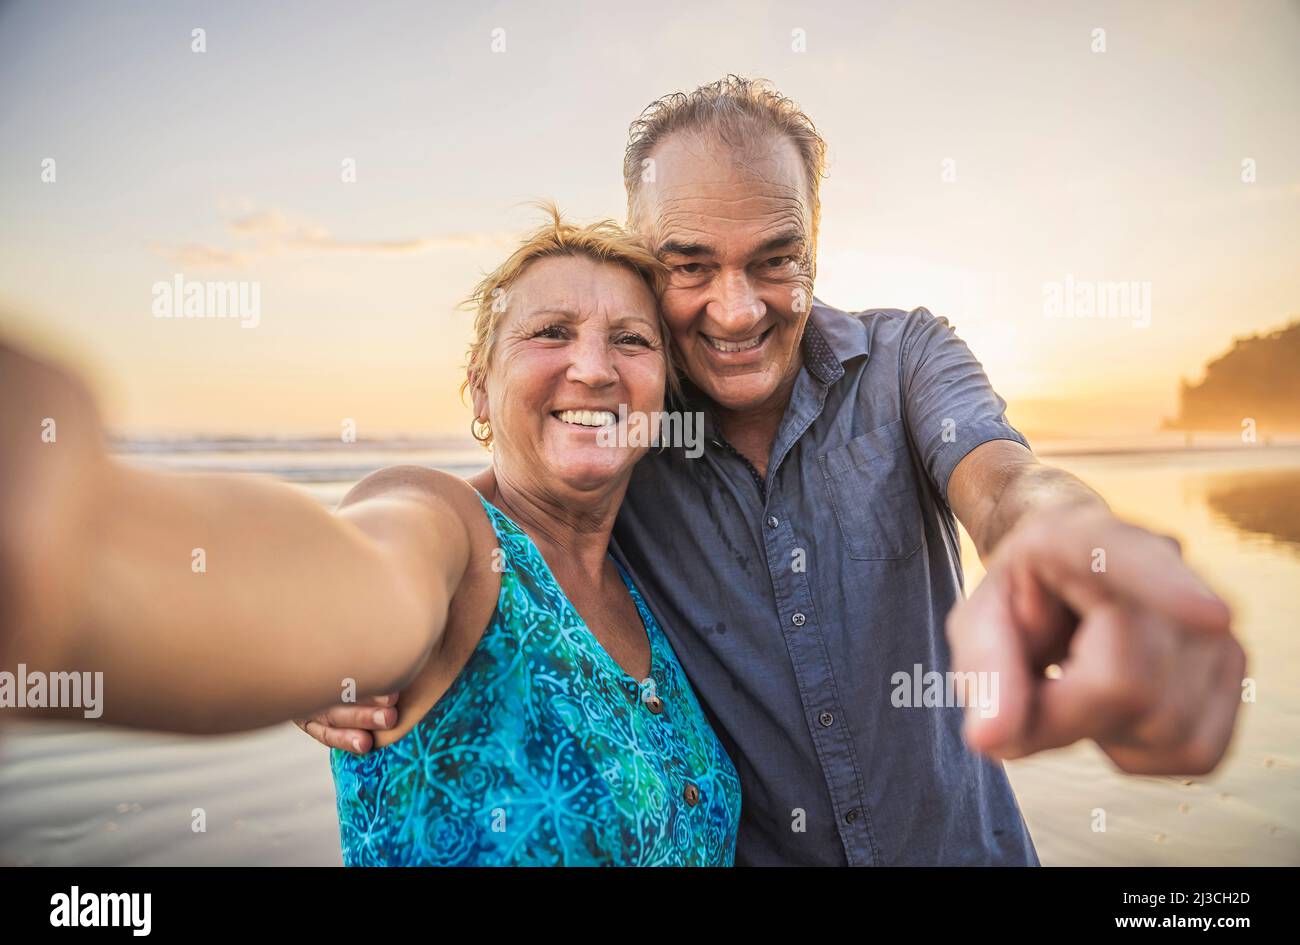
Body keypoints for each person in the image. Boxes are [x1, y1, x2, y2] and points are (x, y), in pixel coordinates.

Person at [305, 76, 1246, 866]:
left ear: (815, 245)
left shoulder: (906, 359)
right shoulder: (632, 424)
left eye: (775, 260)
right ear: (645, 257)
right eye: (689, 267)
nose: (736, 309)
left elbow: (1004, 484)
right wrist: (353, 612)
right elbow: (502, 510)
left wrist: (1076, 546)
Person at [0, 211, 741, 865]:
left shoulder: (653, 585)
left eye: (632, 340)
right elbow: (352, 575)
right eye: (550, 332)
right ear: (479, 390)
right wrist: (75, 537)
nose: (593, 367)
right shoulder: (452, 532)